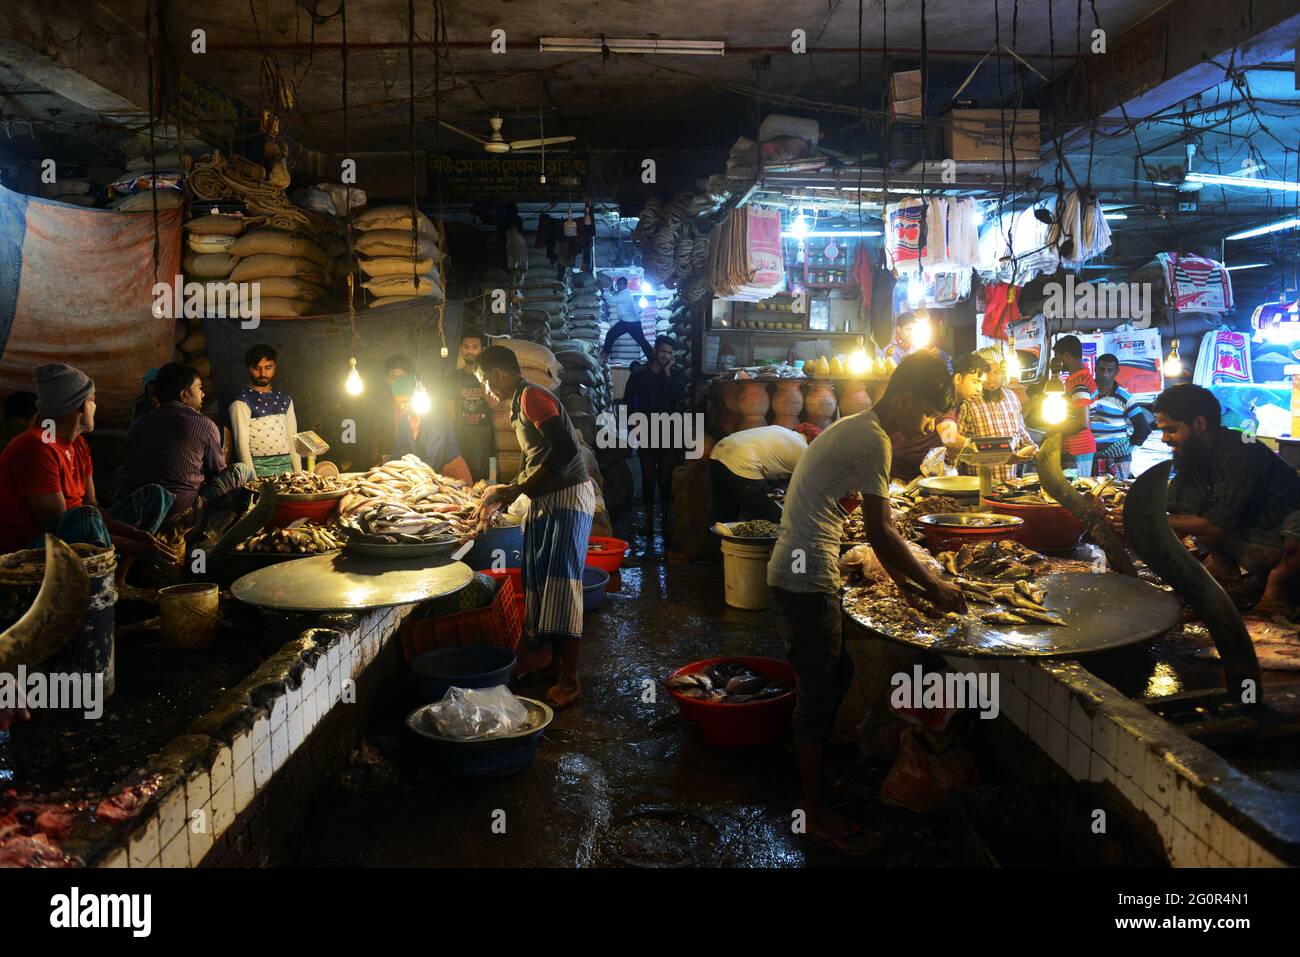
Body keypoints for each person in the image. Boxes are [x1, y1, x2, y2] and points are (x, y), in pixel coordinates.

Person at [767, 351, 965, 855]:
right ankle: (811, 811)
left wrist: (909, 585)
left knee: (838, 672)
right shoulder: (872, 438)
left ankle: (809, 771)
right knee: (819, 688)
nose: (922, 425)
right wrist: (935, 587)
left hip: (804, 568)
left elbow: (871, 527)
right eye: (922, 413)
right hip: (804, 575)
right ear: (901, 399)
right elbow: (881, 533)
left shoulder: (857, 427)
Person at [473, 345, 594, 709]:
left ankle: (571, 680)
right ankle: (555, 666)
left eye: (484, 382)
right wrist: (509, 488)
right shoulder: (520, 404)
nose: (487, 391)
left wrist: (517, 489)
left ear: (496, 374)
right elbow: (538, 458)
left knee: (562, 584)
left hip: (568, 499)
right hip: (548, 500)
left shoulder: (533, 398)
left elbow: (564, 451)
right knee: (544, 581)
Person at [1145, 384, 1300, 618]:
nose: (1165, 439)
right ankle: (1224, 566)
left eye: (1171, 430)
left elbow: (1215, 524)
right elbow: (1176, 505)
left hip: (1279, 537)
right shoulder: (1192, 453)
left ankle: (1277, 583)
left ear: (1199, 423)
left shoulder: (1239, 452)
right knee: (1191, 502)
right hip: (1249, 534)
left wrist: (1151, 520)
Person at [0, 363, 176, 566]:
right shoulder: (37, 447)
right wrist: (134, 547)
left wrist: (135, 534)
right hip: (27, 552)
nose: (95, 406)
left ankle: (119, 580)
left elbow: (92, 504)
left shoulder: (79, 444)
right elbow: (61, 525)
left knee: (155, 496)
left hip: (80, 531)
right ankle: (96, 588)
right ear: (81, 405)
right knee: (85, 517)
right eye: (92, 400)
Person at [116, 363, 255, 518]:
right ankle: (226, 524)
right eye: (199, 388)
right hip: (179, 508)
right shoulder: (205, 424)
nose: (203, 394)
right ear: (184, 395)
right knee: (242, 470)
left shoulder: (138, 423)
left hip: (138, 507)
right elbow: (216, 473)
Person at [623, 336, 688, 550]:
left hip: (670, 432)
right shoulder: (639, 374)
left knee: (666, 478)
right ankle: (649, 522)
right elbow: (629, 403)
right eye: (662, 351)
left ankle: (666, 522)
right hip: (647, 432)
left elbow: (680, 397)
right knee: (649, 478)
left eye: (669, 353)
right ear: (654, 350)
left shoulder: (676, 373)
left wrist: (669, 374)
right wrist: (633, 430)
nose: (665, 356)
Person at [889, 351, 987, 480]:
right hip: (904, 475)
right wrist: (989, 451)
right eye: (975, 381)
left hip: (917, 472)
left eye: (982, 384)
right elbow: (950, 440)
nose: (980, 389)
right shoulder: (944, 400)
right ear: (958, 378)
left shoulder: (959, 404)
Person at [710, 423, 819, 523]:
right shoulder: (805, 451)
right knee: (768, 520)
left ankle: (716, 544)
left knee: (724, 517)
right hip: (742, 461)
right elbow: (813, 488)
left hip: (718, 453)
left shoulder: (781, 431)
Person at [957, 346, 1036, 483]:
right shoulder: (969, 400)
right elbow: (957, 447)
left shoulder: (1012, 397)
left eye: (997, 372)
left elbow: (1022, 434)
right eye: (987, 372)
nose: (992, 378)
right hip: (978, 485)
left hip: (1009, 484)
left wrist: (1035, 452)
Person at [229, 344, 302, 477]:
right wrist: (252, 480)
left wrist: (298, 474)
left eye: (268, 367)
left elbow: (293, 440)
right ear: (249, 368)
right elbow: (242, 445)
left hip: (288, 475)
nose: (263, 373)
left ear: (275, 366)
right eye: (257, 368)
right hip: (259, 475)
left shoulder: (285, 400)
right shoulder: (242, 402)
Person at [390, 374, 472, 482]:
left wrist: (411, 475)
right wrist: (390, 470)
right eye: (398, 403)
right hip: (424, 474)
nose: (402, 407)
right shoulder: (404, 421)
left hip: (451, 473)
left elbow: (434, 461)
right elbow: (398, 452)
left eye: (405, 402)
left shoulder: (436, 420)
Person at [1091, 353, 1153, 479]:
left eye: (1109, 370)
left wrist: (1127, 447)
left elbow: (1144, 429)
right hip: (1090, 454)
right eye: (1101, 369)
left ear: (1116, 372)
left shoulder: (1125, 397)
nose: (1105, 374)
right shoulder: (1085, 393)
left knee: (1118, 491)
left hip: (1118, 456)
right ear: (1095, 369)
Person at [449, 331, 495, 481]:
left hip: (483, 437)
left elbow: (493, 403)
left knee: (480, 482)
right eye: (466, 347)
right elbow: (449, 410)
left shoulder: (489, 377)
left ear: (481, 350)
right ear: (461, 349)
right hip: (461, 436)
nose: (470, 351)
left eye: (474, 347)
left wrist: (481, 375)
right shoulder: (454, 378)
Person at [1051, 335, 1096, 477]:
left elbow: (1082, 422)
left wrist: (1056, 431)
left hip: (1078, 449)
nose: (1056, 362)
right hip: (1077, 448)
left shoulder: (1079, 383)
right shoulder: (1079, 379)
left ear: (1066, 356)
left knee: (1077, 491)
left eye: (1057, 357)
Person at [601, 276, 653, 363]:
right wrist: (608, 291)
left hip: (630, 323)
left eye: (620, 284)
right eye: (617, 285)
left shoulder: (625, 294)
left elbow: (611, 300)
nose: (618, 286)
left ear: (625, 285)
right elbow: (614, 294)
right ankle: (652, 358)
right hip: (631, 322)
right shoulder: (623, 293)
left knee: (611, 335)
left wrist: (603, 291)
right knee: (641, 341)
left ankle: (605, 354)